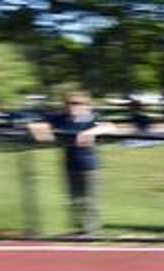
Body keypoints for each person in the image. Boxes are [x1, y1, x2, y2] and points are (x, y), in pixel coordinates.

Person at [27, 91, 117, 236]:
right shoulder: (61, 119)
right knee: (74, 199)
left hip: (90, 166)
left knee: (90, 200)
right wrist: (37, 129)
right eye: (69, 103)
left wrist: (91, 132)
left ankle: (92, 231)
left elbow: (111, 127)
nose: (72, 107)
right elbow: (36, 122)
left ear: (87, 106)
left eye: (77, 103)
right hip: (70, 165)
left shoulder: (92, 118)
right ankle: (80, 229)